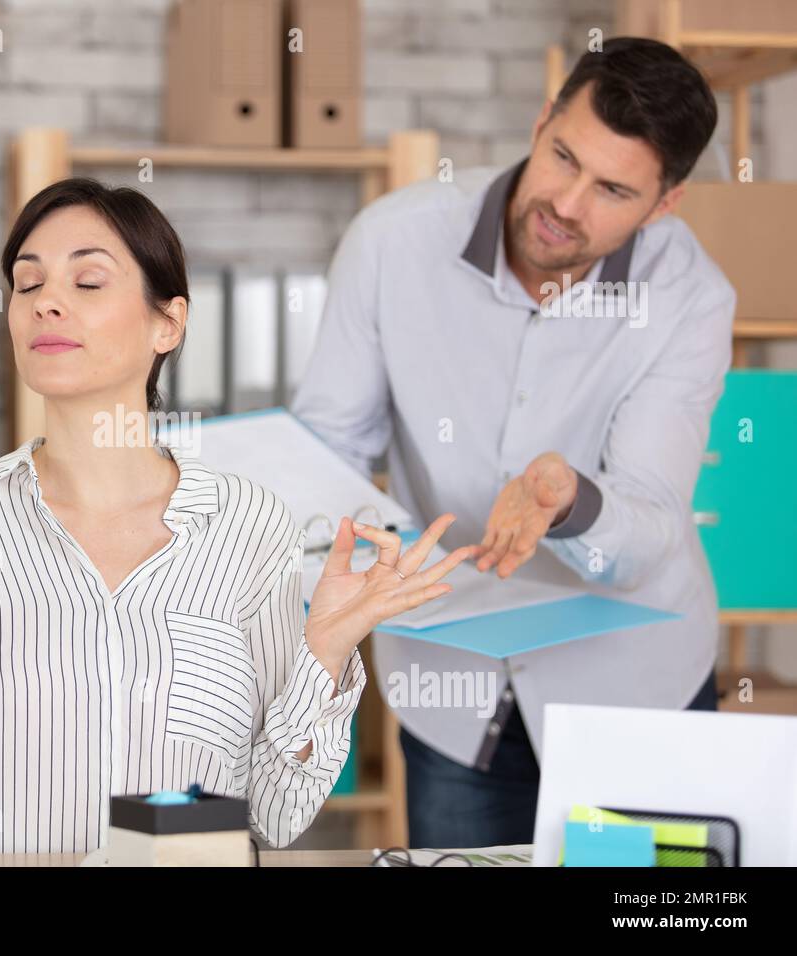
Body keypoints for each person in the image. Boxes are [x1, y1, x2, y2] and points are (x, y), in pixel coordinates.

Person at [0, 178, 475, 853]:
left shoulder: (251, 526)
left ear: (167, 323)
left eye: (88, 281)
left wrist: (329, 648)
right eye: (28, 284)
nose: (47, 302)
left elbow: (276, 817)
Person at [292, 37, 733, 849]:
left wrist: (568, 500)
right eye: (562, 156)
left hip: (635, 693)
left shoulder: (691, 300)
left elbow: (646, 529)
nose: (566, 203)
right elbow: (331, 448)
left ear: (663, 204)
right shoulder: (391, 244)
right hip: (452, 690)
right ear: (540, 122)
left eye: (612, 189)